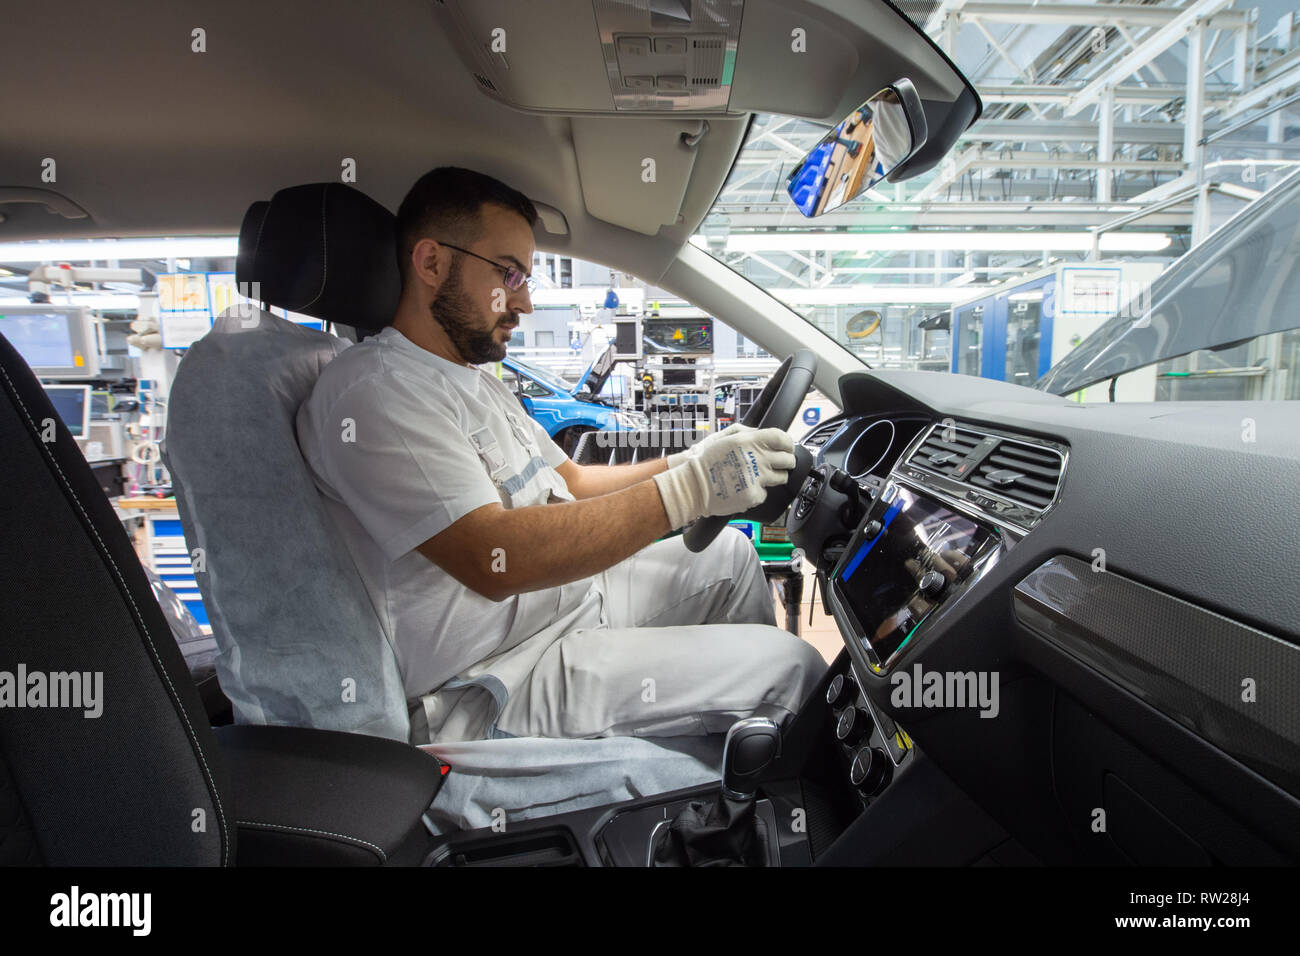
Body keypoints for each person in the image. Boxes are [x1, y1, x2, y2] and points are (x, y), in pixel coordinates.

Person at [296, 166, 825, 743]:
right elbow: (494, 557)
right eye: (509, 274)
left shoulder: (476, 381)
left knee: (730, 556)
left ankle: (740, 759)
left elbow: (571, 481)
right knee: (790, 670)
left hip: (566, 606)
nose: (524, 302)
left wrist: (694, 460)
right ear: (431, 263)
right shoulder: (377, 392)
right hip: (499, 674)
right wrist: (691, 490)